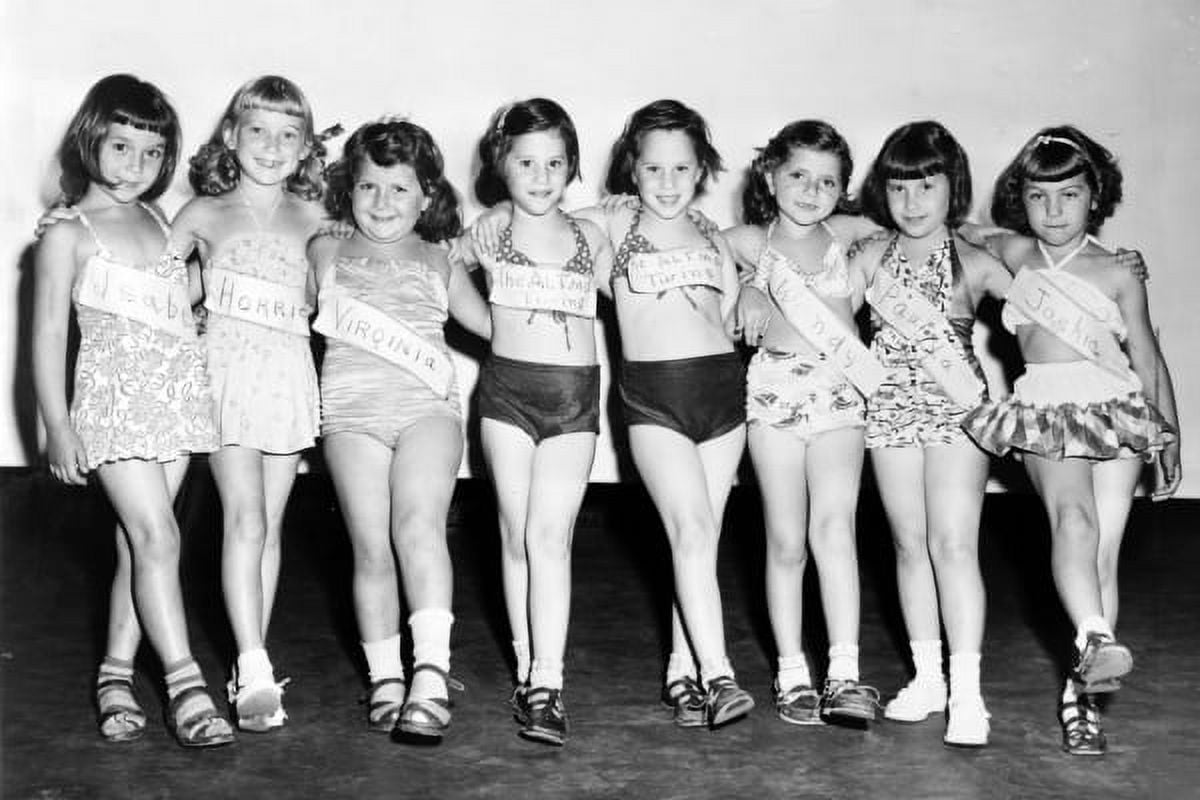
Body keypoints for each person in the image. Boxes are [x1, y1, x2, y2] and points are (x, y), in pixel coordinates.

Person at [962, 126, 1180, 755]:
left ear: (1095, 198)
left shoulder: (1117, 272)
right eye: (1038, 196)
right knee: (1074, 524)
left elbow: (1145, 352)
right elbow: (963, 230)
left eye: (1069, 195)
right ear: (1020, 199)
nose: (1053, 211)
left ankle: (1081, 702)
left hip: (1117, 409)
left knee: (1103, 554)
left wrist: (1170, 433)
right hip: (1045, 409)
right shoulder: (1014, 252)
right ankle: (1092, 636)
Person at [32, 74, 233, 747]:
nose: (135, 166)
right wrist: (57, 426)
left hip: (175, 394)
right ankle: (185, 684)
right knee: (158, 539)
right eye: (121, 147)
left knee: (139, 544)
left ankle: (115, 675)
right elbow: (47, 337)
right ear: (91, 140)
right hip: (113, 400)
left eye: (151, 154)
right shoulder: (69, 233)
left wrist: (222, 274)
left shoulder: (155, 218)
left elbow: (174, 299)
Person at [311, 118, 490, 742]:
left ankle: (432, 675)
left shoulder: (440, 258)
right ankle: (386, 675)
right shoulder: (325, 249)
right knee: (369, 545)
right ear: (348, 192)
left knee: (418, 526)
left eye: (399, 189)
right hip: (350, 414)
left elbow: (497, 328)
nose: (382, 204)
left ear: (427, 196)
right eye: (367, 188)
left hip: (426, 411)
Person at [171, 75, 331, 732]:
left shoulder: (316, 218)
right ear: (231, 136)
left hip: (289, 379)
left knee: (269, 526)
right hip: (228, 378)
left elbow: (334, 295)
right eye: (257, 130)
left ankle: (248, 660)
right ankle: (256, 666)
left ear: (305, 147)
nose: (272, 145)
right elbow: (152, 286)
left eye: (287, 134)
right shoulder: (205, 212)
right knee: (245, 522)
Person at [849, 121, 1011, 747]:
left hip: (955, 414)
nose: (913, 202)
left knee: (953, 546)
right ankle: (927, 678)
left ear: (953, 188)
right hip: (886, 412)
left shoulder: (974, 259)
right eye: (899, 187)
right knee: (909, 545)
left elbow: (1039, 303)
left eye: (927, 185)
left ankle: (968, 693)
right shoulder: (869, 256)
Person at [462, 98, 612, 746]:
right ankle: (529, 669)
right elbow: (438, 270)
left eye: (555, 162)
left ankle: (549, 681)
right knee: (517, 534)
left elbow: (634, 297)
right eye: (527, 161)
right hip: (506, 395)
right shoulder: (490, 230)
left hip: (573, 397)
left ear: (572, 166)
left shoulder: (590, 236)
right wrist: (491, 327)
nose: (542, 174)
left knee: (551, 537)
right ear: (503, 164)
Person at [724, 120, 880, 727]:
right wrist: (744, 286)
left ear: (842, 189)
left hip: (841, 393)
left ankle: (845, 672)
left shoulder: (847, 233)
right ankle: (792, 674)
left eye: (827, 181)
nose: (811, 191)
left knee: (835, 530)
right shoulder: (745, 240)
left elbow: (933, 229)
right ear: (769, 175)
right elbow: (682, 238)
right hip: (775, 394)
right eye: (798, 176)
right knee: (786, 541)